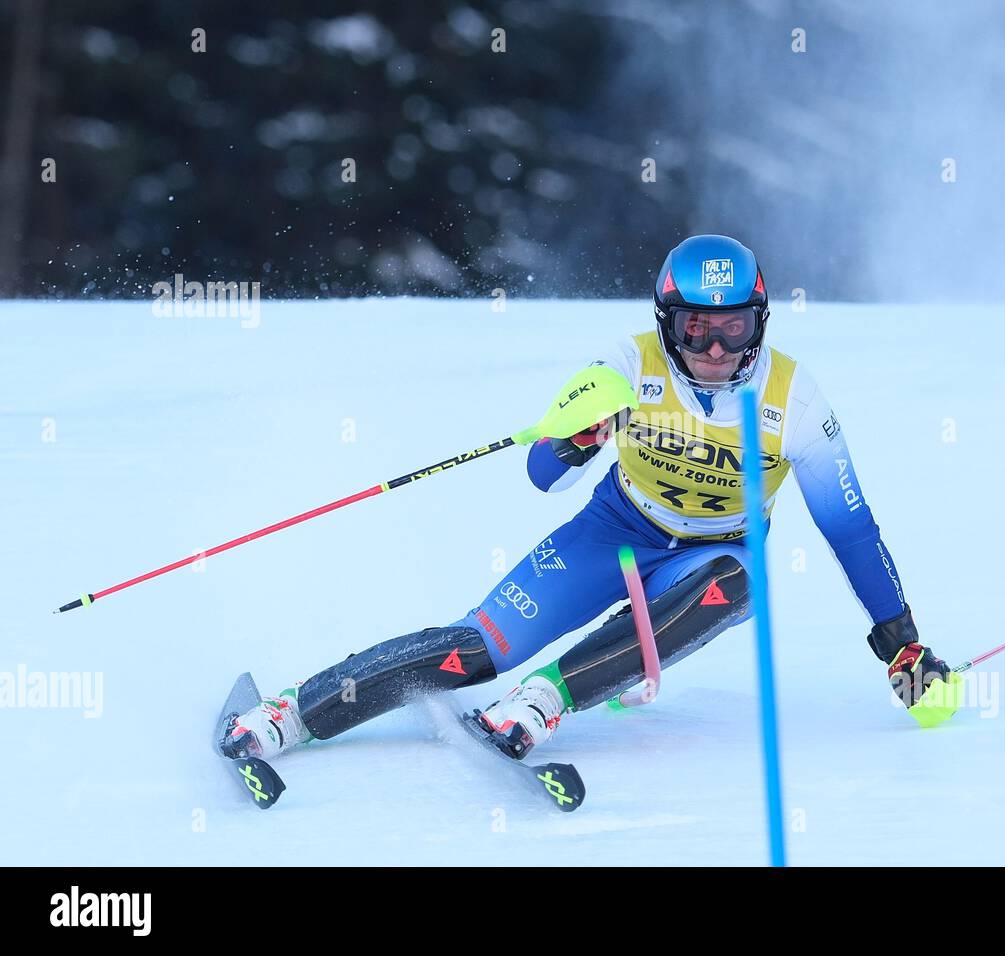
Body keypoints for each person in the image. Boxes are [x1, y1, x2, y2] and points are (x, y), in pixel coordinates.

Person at [220, 235, 952, 764]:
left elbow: (851, 531)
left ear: (760, 322)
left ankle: (546, 699)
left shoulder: (794, 398)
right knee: (475, 650)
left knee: (740, 583)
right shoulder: (626, 365)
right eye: (697, 327)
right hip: (615, 531)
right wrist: (576, 440)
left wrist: (901, 643)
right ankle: (294, 714)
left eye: (734, 328)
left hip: (714, 554)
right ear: (668, 320)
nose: (718, 350)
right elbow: (544, 473)